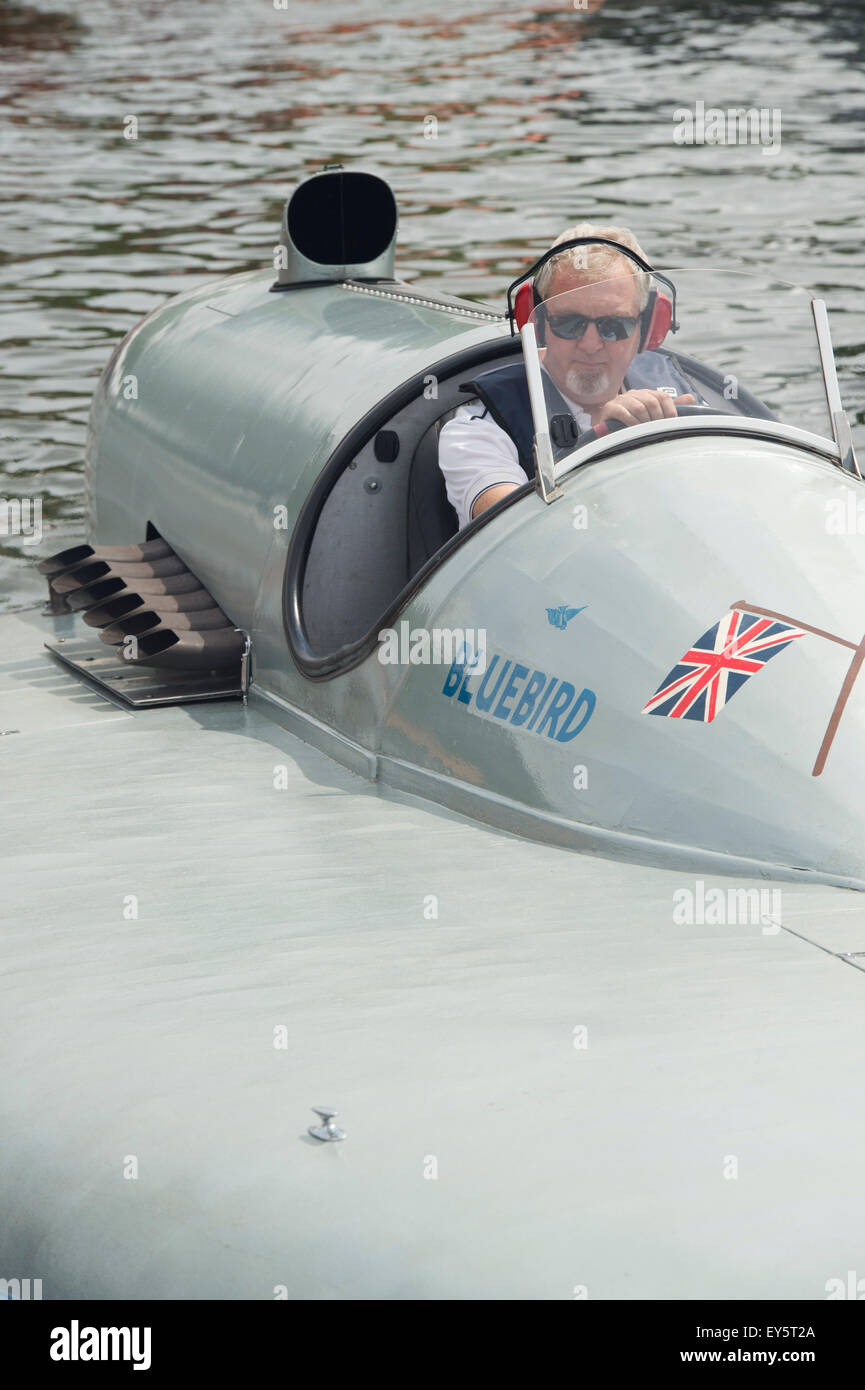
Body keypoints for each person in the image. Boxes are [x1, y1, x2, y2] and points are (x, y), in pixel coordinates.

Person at [438, 224, 697, 529]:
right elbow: (513, 534)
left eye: (614, 325)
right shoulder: (478, 432)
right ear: (537, 322)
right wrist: (602, 446)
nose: (590, 344)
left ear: (648, 328)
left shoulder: (683, 400)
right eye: (570, 323)